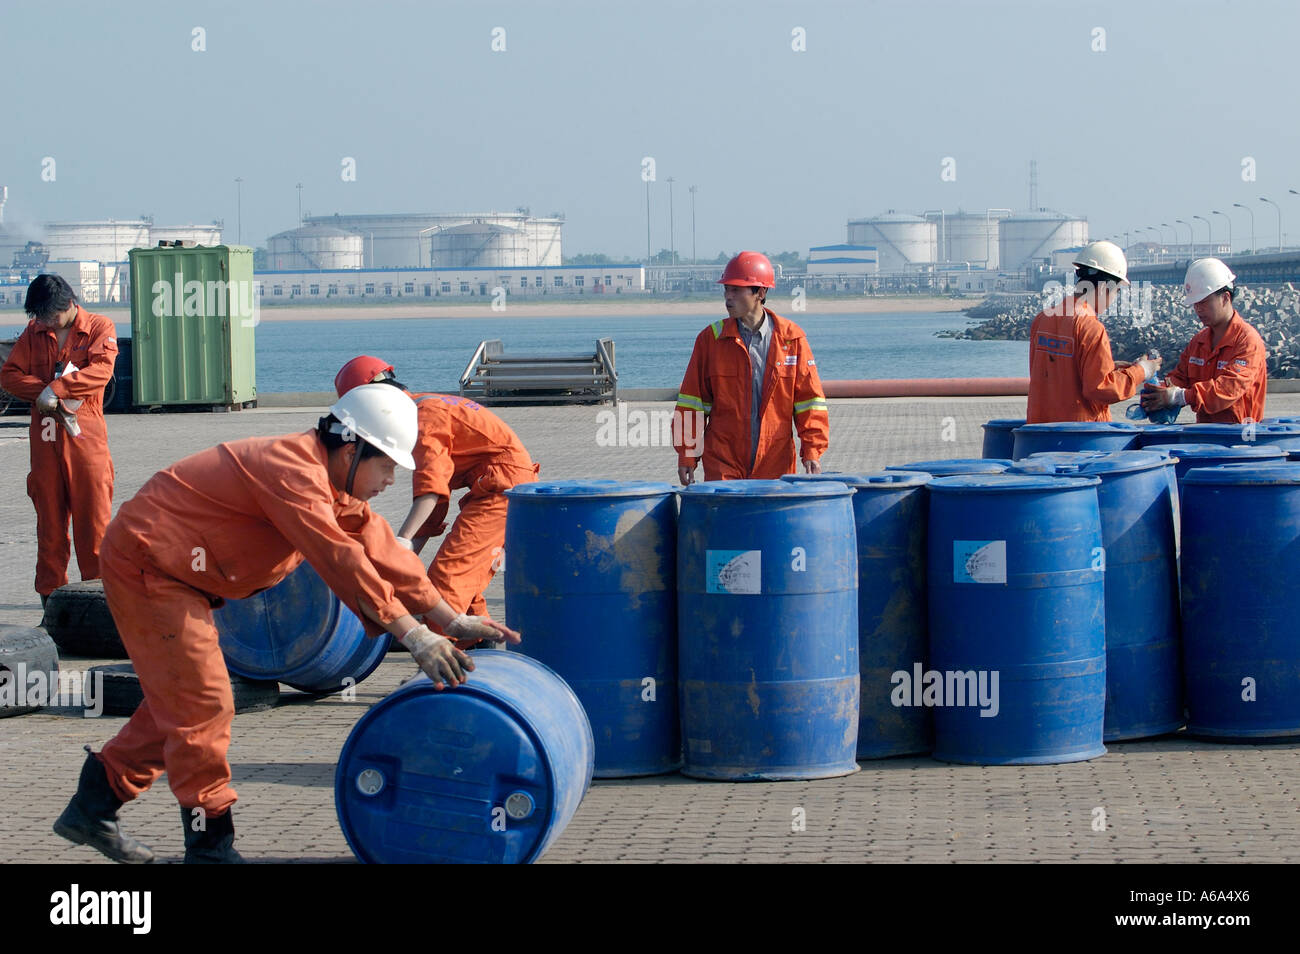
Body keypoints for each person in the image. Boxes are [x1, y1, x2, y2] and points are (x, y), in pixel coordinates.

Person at [52, 384, 520, 864]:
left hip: (184, 577)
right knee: (204, 703)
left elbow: (378, 546)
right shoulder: (292, 470)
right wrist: (414, 635)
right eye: (387, 466)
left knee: (180, 702)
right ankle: (211, 849)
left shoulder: (329, 479)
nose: (391, 480)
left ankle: (94, 805)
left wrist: (446, 616)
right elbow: (339, 558)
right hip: (150, 565)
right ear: (352, 451)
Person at [334, 356, 538, 643]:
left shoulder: (424, 418)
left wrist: (402, 541)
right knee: (468, 578)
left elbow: (431, 489)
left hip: (502, 489)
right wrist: (404, 558)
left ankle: (441, 663)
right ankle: (477, 645)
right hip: (500, 484)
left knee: (448, 578)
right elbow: (433, 502)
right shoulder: (420, 407)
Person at [0, 274, 117, 607]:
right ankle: (51, 603)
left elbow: (101, 371)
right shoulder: (34, 332)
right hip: (45, 441)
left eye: (49, 315)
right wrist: (43, 393)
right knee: (49, 524)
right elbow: (9, 375)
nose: (45, 322)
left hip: (85, 439)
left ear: (68, 304)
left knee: (93, 522)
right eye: (39, 316)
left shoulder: (99, 327)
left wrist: (58, 388)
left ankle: (99, 602)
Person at [672, 250, 829, 484]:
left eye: (736, 290)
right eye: (726, 289)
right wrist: (687, 455)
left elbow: (810, 402)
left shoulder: (791, 339)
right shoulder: (710, 340)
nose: (728, 297)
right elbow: (691, 403)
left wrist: (812, 451)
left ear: (760, 293)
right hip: (724, 464)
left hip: (775, 465)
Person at [1026, 240, 1160, 424]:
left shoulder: (1043, 319)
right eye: (1116, 292)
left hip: (1039, 430)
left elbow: (1055, 369)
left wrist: (1109, 367)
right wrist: (1141, 371)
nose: (1113, 299)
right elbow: (1101, 389)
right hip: (1079, 433)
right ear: (1105, 287)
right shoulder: (1091, 328)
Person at [1141, 258, 1267, 424]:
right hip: (1205, 433)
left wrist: (1179, 396)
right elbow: (1181, 378)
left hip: (1240, 434)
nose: (1198, 309)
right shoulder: (1199, 342)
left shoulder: (1247, 341)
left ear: (1225, 298)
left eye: (1204, 303)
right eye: (1195, 304)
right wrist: (1157, 390)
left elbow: (1228, 388)